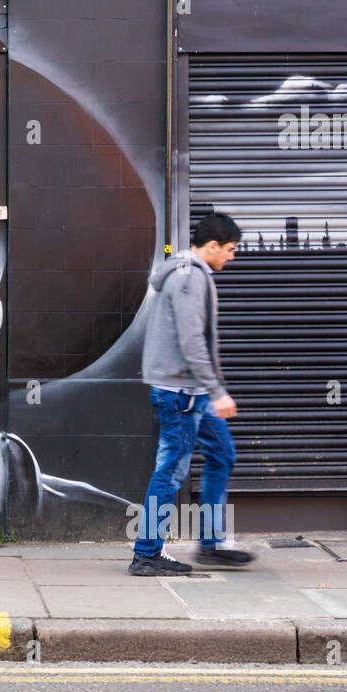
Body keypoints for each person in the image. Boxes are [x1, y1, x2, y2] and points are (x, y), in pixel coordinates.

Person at [129, 212, 256, 575]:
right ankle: (147, 553)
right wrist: (217, 391)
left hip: (195, 392)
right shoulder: (189, 277)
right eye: (230, 250)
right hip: (181, 394)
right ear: (212, 245)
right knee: (170, 471)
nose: (232, 257)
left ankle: (212, 543)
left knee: (222, 455)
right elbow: (191, 341)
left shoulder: (192, 274)